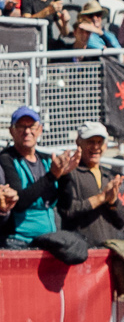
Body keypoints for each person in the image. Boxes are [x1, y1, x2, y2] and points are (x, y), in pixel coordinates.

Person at [0, 105, 72, 247]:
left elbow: (66, 204)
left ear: (40, 130)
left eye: (32, 127)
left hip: (48, 239)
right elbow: (19, 202)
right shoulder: (6, 158)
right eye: (21, 127)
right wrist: (52, 176)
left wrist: (64, 175)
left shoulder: (46, 160)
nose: (27, 132)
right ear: (11, 131)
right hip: (18, 240)